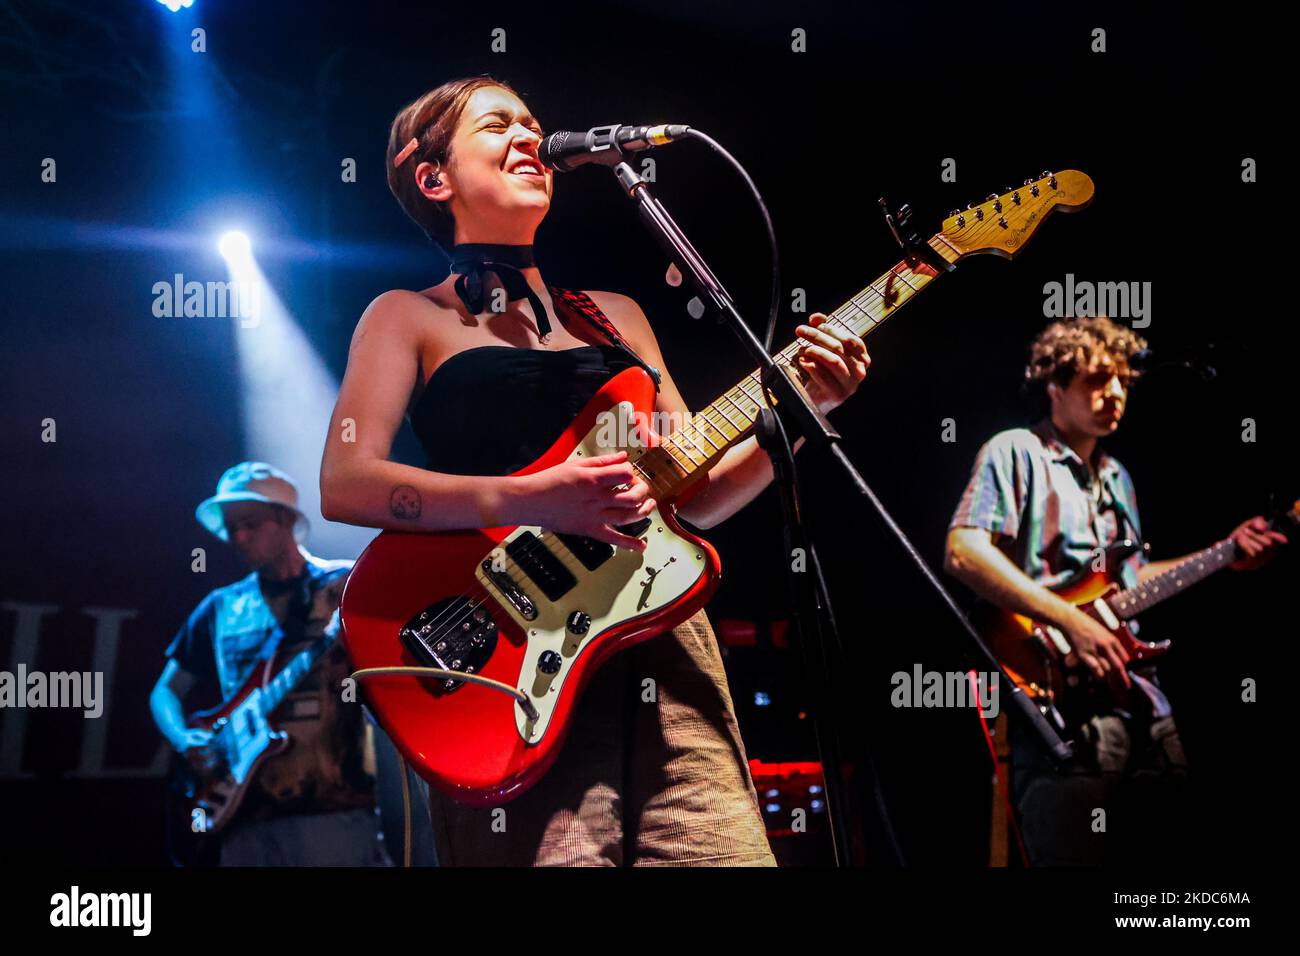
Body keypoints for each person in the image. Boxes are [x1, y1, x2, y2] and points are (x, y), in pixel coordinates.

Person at [318, 76, 871, 865]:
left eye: (534, 123)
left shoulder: (616, 315)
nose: (529, 137)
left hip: (663, 642)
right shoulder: (408, 315)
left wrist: (805, 411)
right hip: (505, 656)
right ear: (433, 178)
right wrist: (535, 499)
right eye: (497, 125)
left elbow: (698, 498)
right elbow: (347, 483)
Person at [944, 316, 1287, 865]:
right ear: (1055, 385)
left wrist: (1225, 552)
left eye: (1123, 381)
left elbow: (1131, 583)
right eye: (1098, 381)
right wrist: (1071, 621)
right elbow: (964, 551)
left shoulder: (1118, 476)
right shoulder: (1015, 451)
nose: (1116, 394)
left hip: (1137, 694)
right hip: (1056, 696)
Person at [150, 461, 390, 866]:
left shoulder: (346, 586)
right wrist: (184, 739)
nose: (237, 537)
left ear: (285, 519)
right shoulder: (221, 606)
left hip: (333, 814)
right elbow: (165, 692)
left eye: (250, 523)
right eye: (230, 527)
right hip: (241, 821)